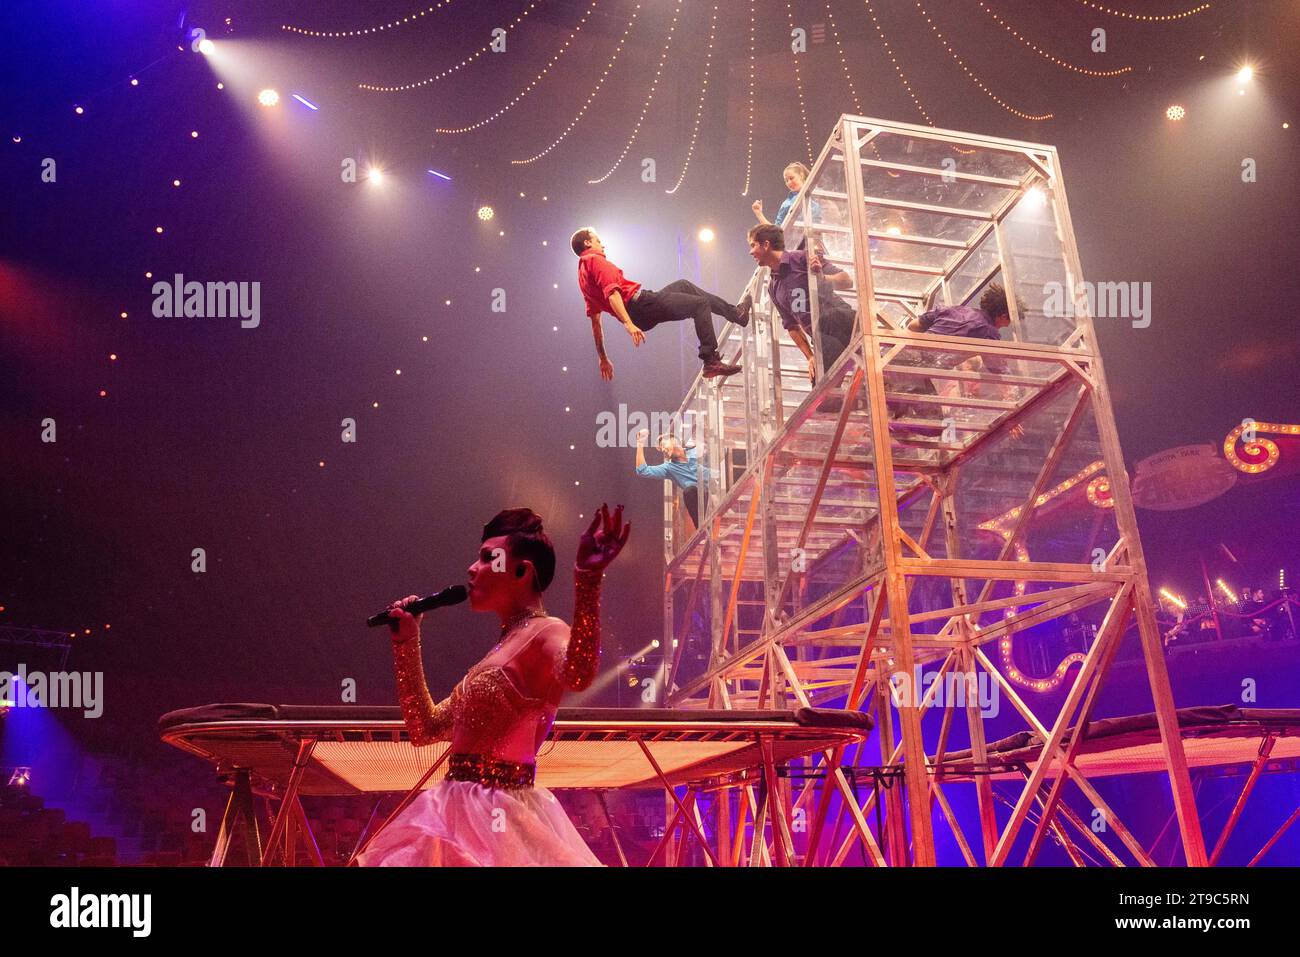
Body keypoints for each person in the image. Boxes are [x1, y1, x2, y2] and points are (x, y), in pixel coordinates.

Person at [358, 504, 630, 866]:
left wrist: (587, 578)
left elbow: (578, 675)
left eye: (488, 558)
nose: (473, 569)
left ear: (520, 570)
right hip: (453, 813)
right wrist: (406, 641)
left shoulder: (548, 632)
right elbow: (426, 728)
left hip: (499, 821)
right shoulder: (497, 652)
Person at [571, 228, 751, 381]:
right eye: (598, 241)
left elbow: (595, 323)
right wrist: (629, 324)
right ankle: (710, 360)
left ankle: (736, 314)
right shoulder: (594, 260)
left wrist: (602, 358)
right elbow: (613, 294)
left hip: (642, 308)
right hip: (640, 305)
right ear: (587, 243)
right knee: (700, 304)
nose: (603, 245)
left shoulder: (582, 278)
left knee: (683, 285)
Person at [747, 223, 855, 384]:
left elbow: (847, 281)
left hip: (842, 322)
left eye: (753, 245)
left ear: (766, 245)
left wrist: (822, 278)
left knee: (825, 322)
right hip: (822, 339)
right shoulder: (773, 288)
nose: (751, 252)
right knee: (822, 395)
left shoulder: (801, 258)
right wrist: (810, 356)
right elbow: (792, 327)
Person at [634, 428, 699, 527]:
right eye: (661, 450)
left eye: (664, 446)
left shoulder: (695, 451)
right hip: (699, 496)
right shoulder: (669, 468)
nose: (663, 450)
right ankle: (701, 528)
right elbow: (642, 470)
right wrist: (640, 443)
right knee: (689, 491)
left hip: (714, 490)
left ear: (673, 440)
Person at [752, 162, 818, 229]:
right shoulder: (787, 203)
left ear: (801, 175)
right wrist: (759, 214)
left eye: (791, 178)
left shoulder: (818, 194)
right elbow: (777, 231)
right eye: (786, 180)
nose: (789, 183)